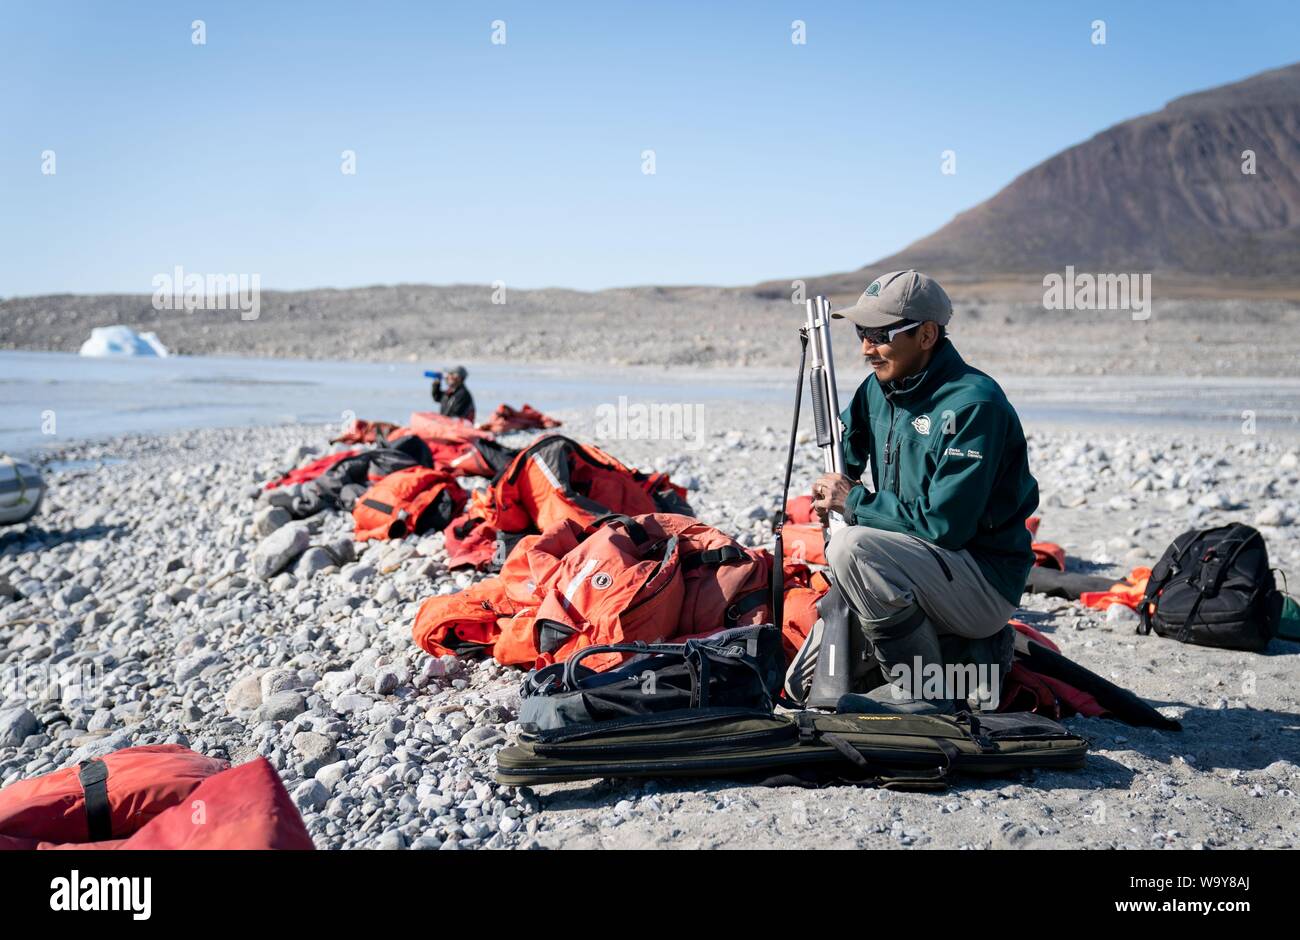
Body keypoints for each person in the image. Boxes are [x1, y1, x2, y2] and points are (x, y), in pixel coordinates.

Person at [786, 270, 1039, 713]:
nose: (866, 348)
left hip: (982, 580)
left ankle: (924, 694)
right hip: (921, 565)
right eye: (862, 333)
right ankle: (926, 667)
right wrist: (832, 483)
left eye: (881, 335)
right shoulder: (879, 389)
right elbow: (844, 451)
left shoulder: (972, 405)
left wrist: (856, 502)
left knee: (854, 547)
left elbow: (945, 525)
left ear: (926, 335)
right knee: (800, 683)